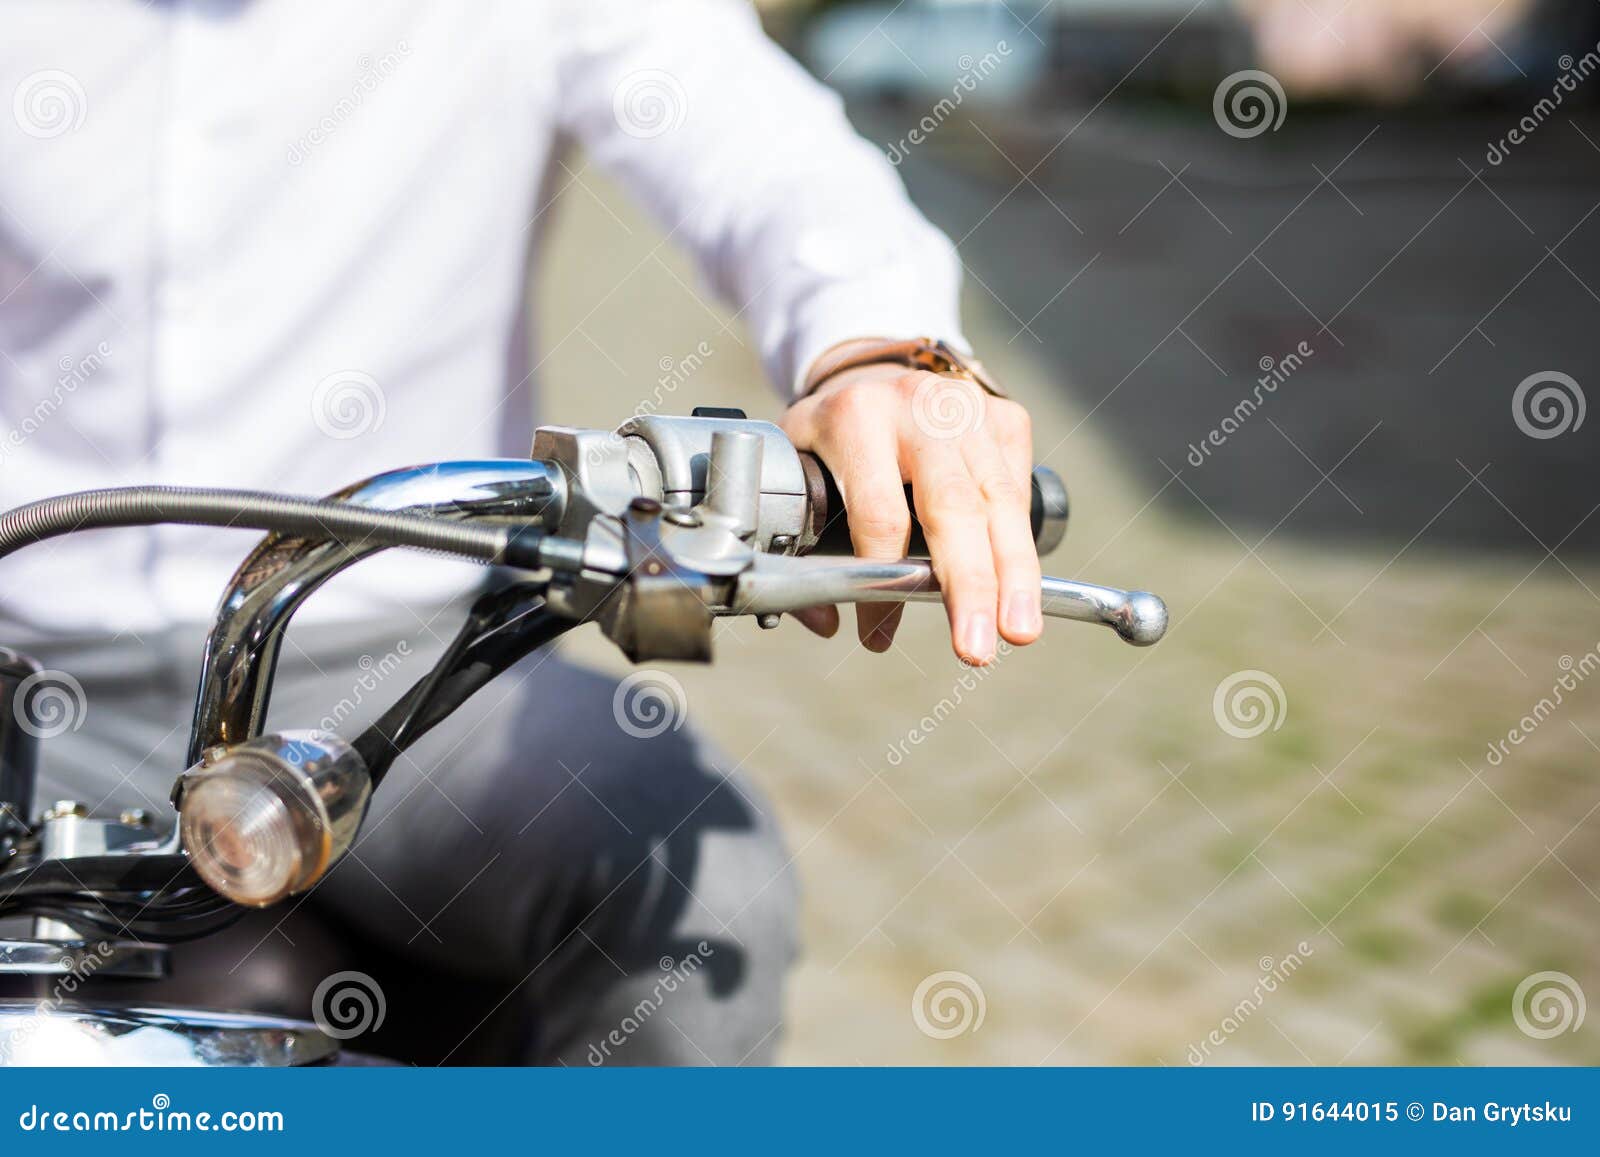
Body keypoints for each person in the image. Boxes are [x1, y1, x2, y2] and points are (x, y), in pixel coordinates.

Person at [0, 1, 1042, 1064]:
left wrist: (876, 352)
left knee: (698, 875)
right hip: (26, 658)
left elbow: (758, 144)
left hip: (409, 664)